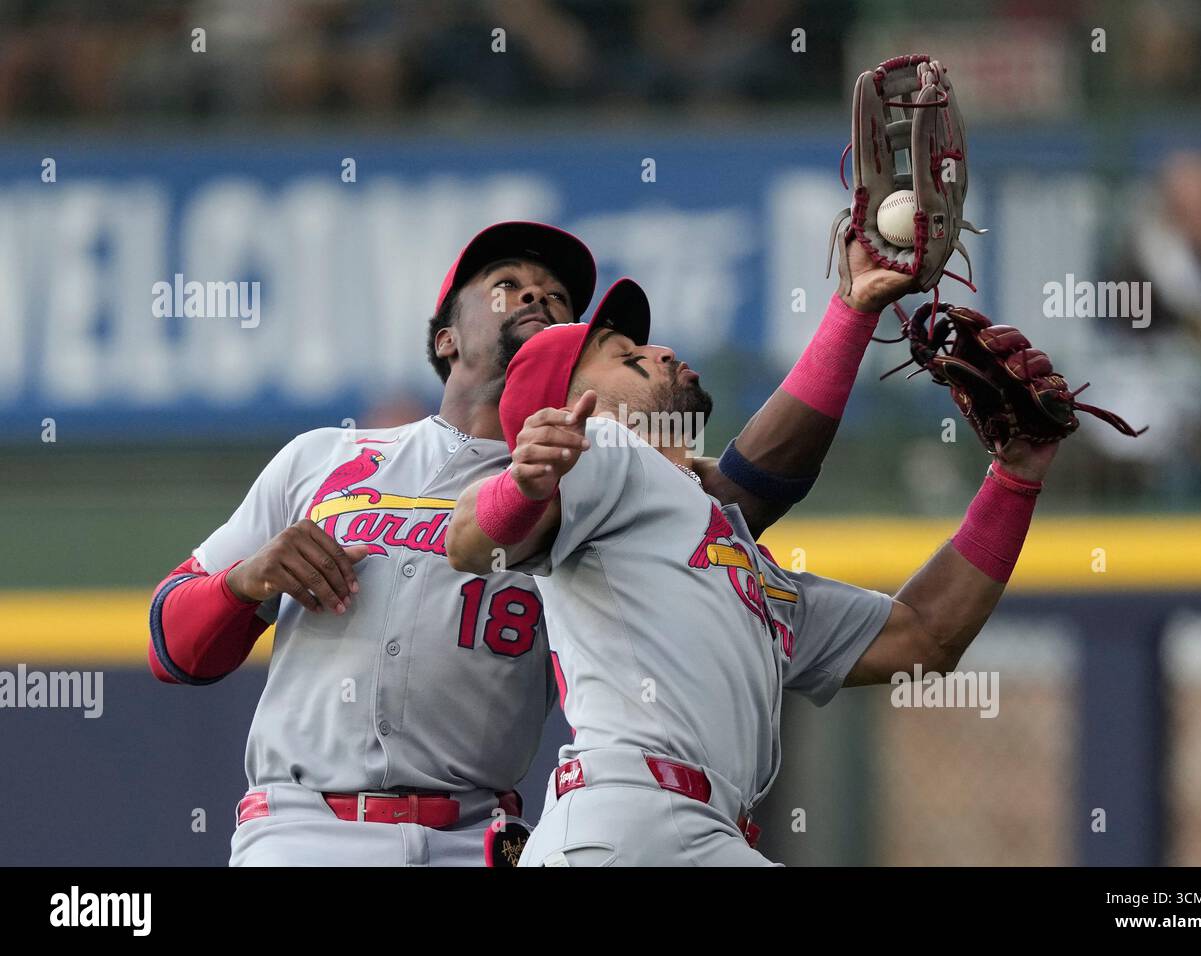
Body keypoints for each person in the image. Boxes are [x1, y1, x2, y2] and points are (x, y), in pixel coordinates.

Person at [146, 219, 912, 865]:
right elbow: (172, 648)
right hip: (302, 828)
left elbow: (757, 480)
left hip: (477, 837)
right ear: (447, 338)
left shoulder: (608, 476)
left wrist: (850, 312)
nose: (540, 295)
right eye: (508, 283)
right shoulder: (325, 458)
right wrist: (245, 582)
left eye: (560, 298)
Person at [444, 279, 1059, 866]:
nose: (660, 350)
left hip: (674, 834)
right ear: (574, 407)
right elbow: (467, 539)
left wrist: (1016, 476)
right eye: (624, 355)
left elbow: (925, 636)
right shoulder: (607, 452)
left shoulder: (736, 562)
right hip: (631, 822)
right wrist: (525, 484)